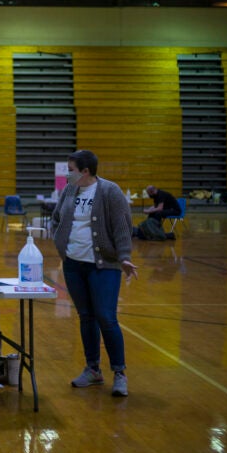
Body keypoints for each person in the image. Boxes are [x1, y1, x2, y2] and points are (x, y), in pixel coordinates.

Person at [49, 150, 137, 397]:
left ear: (85, 171)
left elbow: (122, 227)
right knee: (86, 316)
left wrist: (125, 257)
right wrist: (61, 246)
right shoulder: (69, 191)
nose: (67, 173)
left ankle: (119, 373)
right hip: (73, 265)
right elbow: (56, 219)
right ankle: (93, 369)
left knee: (106, 317)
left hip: (104, 265)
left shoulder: (110, 191)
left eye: (71, 169)